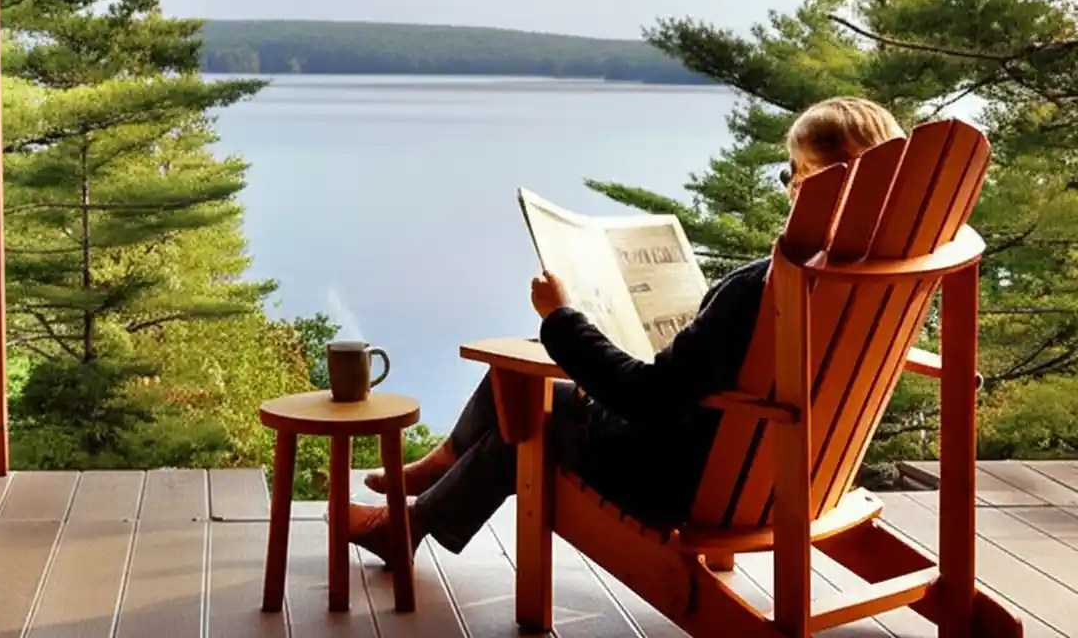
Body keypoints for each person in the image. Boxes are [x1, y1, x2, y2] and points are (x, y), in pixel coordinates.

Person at [345, 97, 907, 565]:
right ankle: (439, 471)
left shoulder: (765, 288)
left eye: (797, 173)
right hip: (790, 470)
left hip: (688, 478)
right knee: (513, 386)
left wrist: (560, 318)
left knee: (526, 424)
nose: (790, 188)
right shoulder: (874, 278)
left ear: (825, 185)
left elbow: (647, 398)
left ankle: (407, 528)